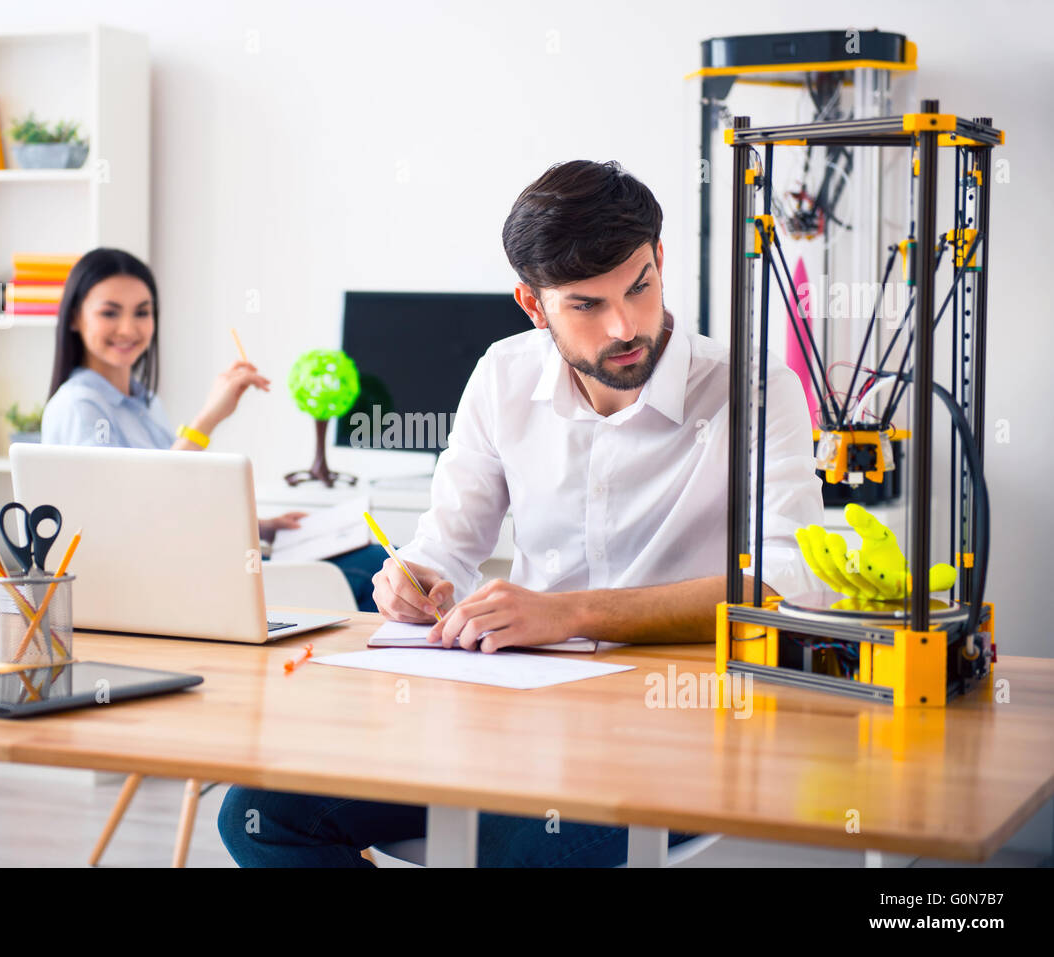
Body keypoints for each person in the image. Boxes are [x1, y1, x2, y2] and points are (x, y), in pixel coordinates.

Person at [217, 160, 824, 866]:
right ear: (533, 306)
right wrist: (412, 578)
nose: (626, 325)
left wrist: (570, 614)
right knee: (260, 812)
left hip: (675, 730)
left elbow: (790, 581)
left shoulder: (754, 388)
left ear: (660, 260)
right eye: (585, 305)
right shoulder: (503, 375)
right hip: (516, 718)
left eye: (639, 287)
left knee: (531, 848)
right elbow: (445, 545)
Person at [40, 247, 382, 611]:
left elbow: (175, 506)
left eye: (142, 312)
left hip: (196, 563)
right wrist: (207, 419)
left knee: (373, 556)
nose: (129, 328)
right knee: (376, 571)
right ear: (75, 317)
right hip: (165, 584)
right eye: (110, 312)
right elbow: (132, 517)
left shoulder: (145, 402)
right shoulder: (79, 406)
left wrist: (261, 527)